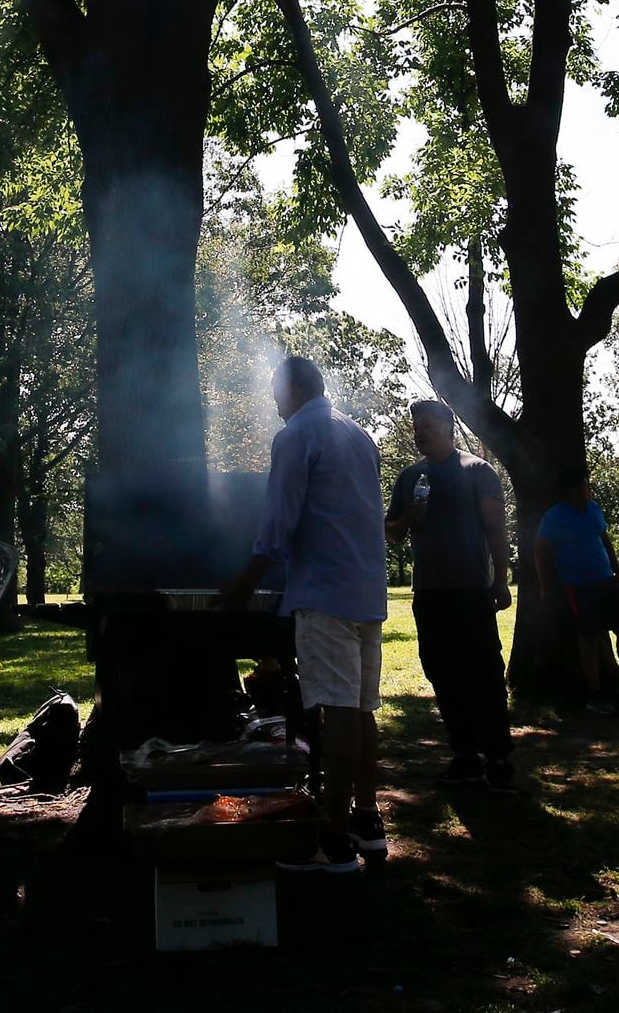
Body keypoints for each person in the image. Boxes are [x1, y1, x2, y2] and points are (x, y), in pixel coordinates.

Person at [223, 356, 388, 875]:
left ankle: (332, 842)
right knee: (361, 710)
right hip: (366, 590)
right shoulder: (358, 434)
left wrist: (243, 583)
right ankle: (367, 819)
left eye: (275, 390)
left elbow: (278, 523)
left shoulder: (296, 435)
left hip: (325, 595)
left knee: (338, 712)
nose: (273, 401)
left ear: (294, 389)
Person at [386, 399, 515, 793]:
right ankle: (464, 756)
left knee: (484, 673)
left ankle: (498, 758)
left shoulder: (477, 470)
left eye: (426, 424)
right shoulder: (410, 477)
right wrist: (410, 519)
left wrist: (500, 579)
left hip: (471, 589)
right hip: (429, 591)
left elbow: (496, 528)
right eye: (415, 426)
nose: (418, 431)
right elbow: (391, 531)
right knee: (441, 671)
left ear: (447, 425)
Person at [535, 466, 619, 713]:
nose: (588, 489)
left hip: (607, 581)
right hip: (577, 585)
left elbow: (604, 538)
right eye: (584, 485)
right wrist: (546, 586)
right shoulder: (554, 517)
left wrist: (617, 569)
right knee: (589, 636)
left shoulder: (594, 509)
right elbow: (540, 550)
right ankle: (596, 694)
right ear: (572, 490)